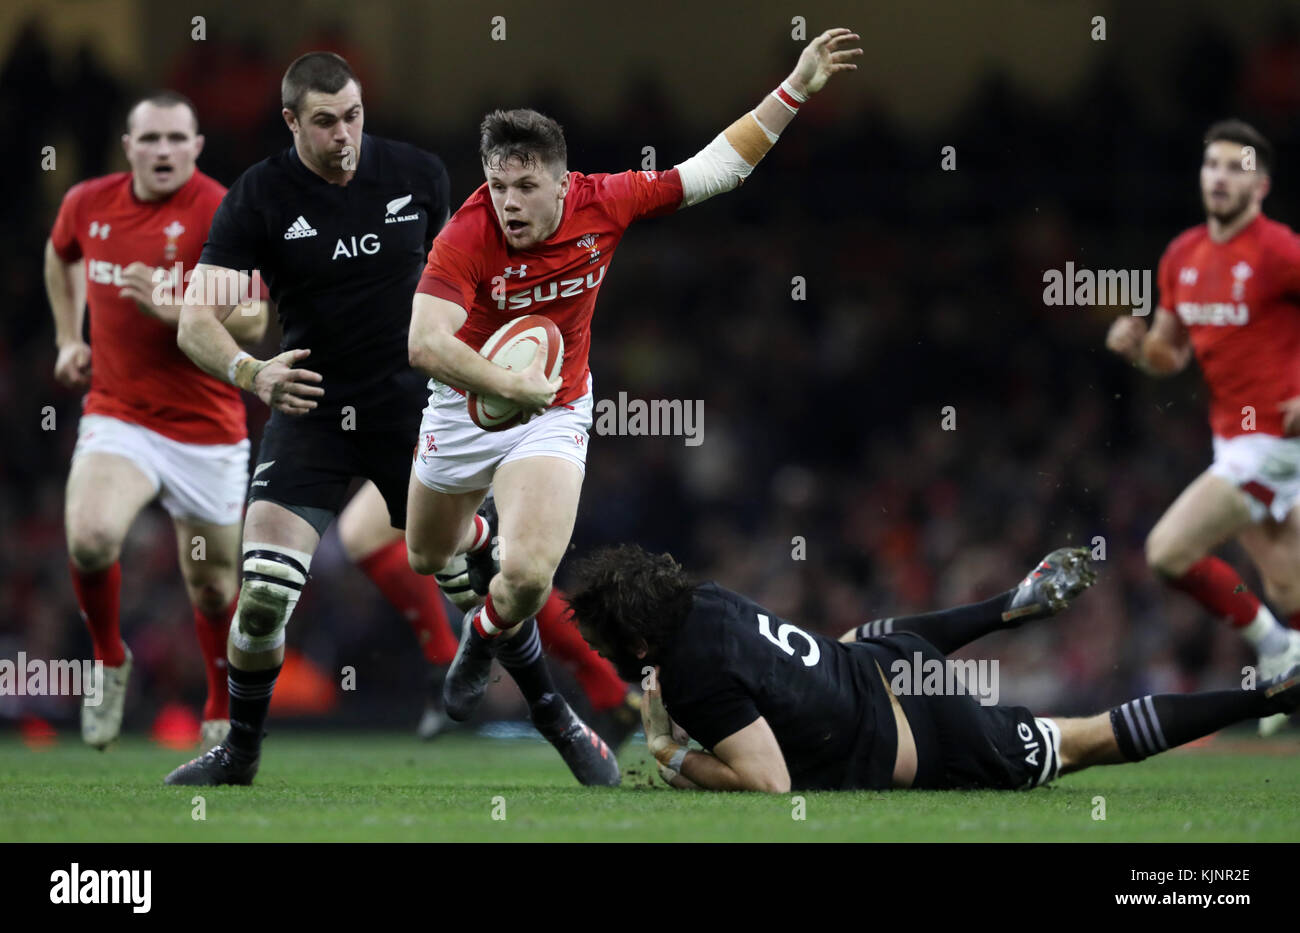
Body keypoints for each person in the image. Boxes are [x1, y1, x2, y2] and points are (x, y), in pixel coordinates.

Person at [403, 29, 864, 773]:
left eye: (525, 187)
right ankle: (478, 546)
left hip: (552, 409)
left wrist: (798, 88)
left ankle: (480, 641)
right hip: (463, 404)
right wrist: (501, 384)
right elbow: (424, 344)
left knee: (524, 577)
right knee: (427, 553)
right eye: (498, 185)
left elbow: (717, 169)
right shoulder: (466, 233)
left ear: (562, 181)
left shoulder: (605, 200)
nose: (510, 202)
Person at [161, 52, 453, 785]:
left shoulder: (418, 176)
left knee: (489, 581)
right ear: (292, 121)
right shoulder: (260, 196)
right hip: (310, 406)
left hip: (408, 407)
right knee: (261, 596)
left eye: (352, 116)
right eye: (324, 122)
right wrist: (251, 372)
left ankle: (559, 716)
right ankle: (241, 753)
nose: (343, 134)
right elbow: (196, 322)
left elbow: (459, 288)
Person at [567, 544, 1300, 792]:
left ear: (635, 645)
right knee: (852, 637)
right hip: (884, 656)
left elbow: (769, 782)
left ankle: (1271, 690)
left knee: (1084, 739)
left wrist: (672, 753)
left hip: (926, 732)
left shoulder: (691, 673)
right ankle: (1002, 605)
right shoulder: (708, 598)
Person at [46, 90, 268, 751]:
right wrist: (67, 336)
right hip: (121, 416)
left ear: (197, 147)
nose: (164, 150)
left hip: (207, 428)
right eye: (151, 139)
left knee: (212, 586)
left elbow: (256, 317)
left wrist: (176, 305)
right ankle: (110, 659)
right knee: (89, 537)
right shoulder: (87, 203)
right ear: (128, 147)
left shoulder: (220, 210)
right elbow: (62, 254)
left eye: (177, 138)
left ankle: (220, 702)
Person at [1106, 119, 1300, 735]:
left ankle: (1279, 654)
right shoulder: (1183, 254)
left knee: (1167, 552)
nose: (1219, 176)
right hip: (1233, 437)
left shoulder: (1279, 251)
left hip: (1275, 443)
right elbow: (1172, 355)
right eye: (1211, 164)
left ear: (1261, 185)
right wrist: (1138, 347)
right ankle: (1290, 665)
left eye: (1235, 167)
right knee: (1289, 586)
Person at [335, 484, 641, 744]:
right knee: (367, 535)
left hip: (475, 428)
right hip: (434, 429)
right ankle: (612, 695)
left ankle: (611, 692)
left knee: (506, 576)